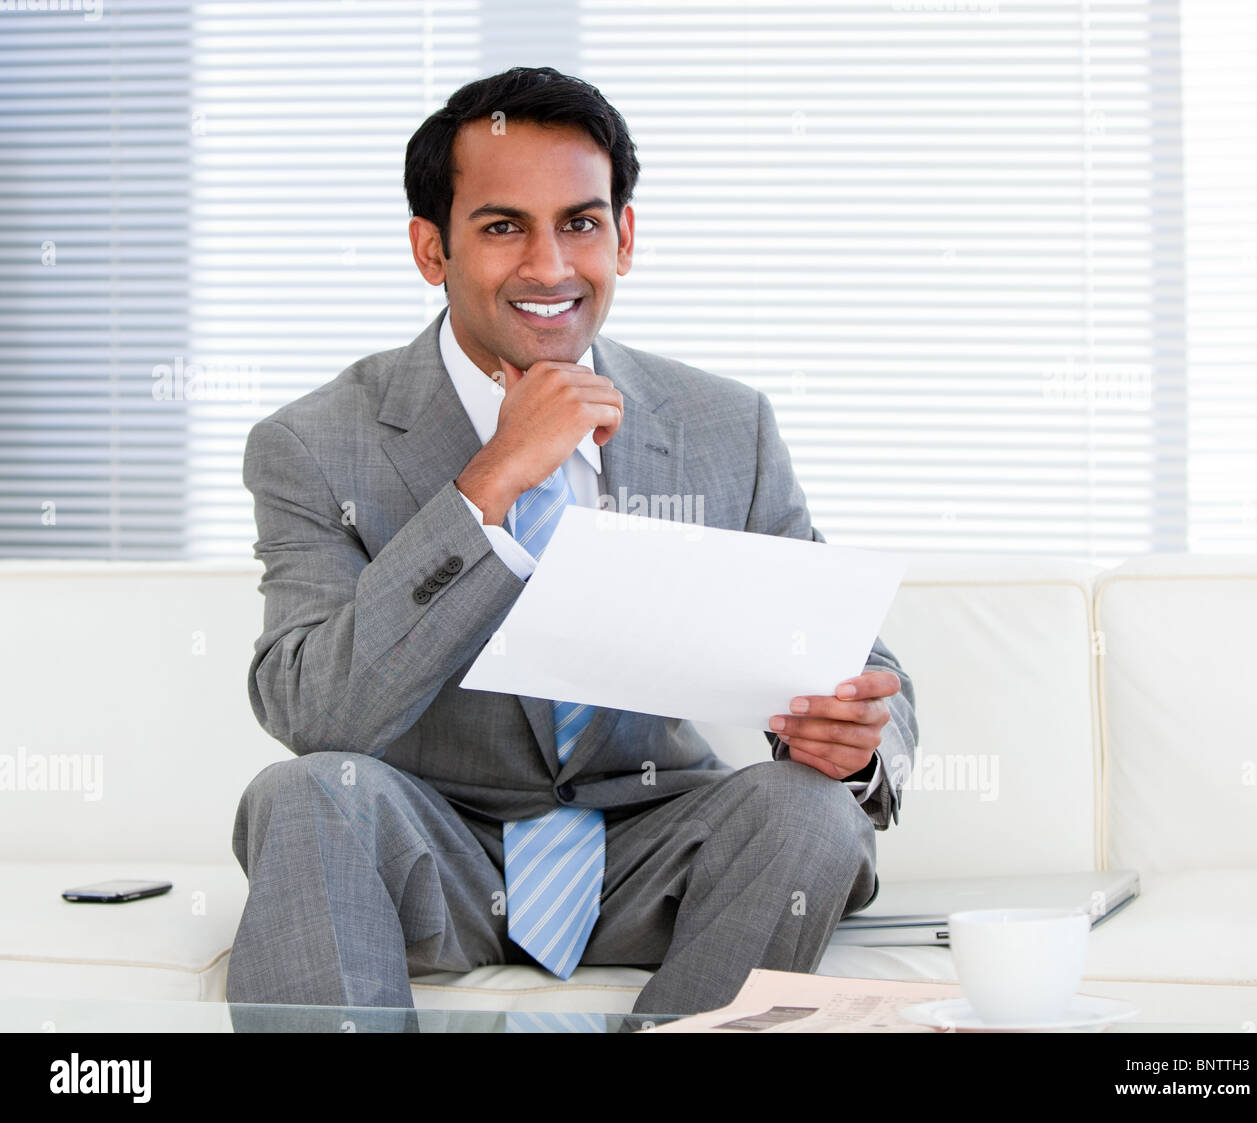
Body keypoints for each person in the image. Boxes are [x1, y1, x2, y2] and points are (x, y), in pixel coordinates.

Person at [227, 65, 918, 1018]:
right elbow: (313, 709)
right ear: (432, 249)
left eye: (581, 223)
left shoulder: (725, 427)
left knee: (809, 811)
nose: (550, 267)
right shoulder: (312, 444)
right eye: (503, 226)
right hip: (440, 852)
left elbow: (861, 662)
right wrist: (493, 480)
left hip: (657, 853)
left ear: (624, 237)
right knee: (303, 792)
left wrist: (856, 740)